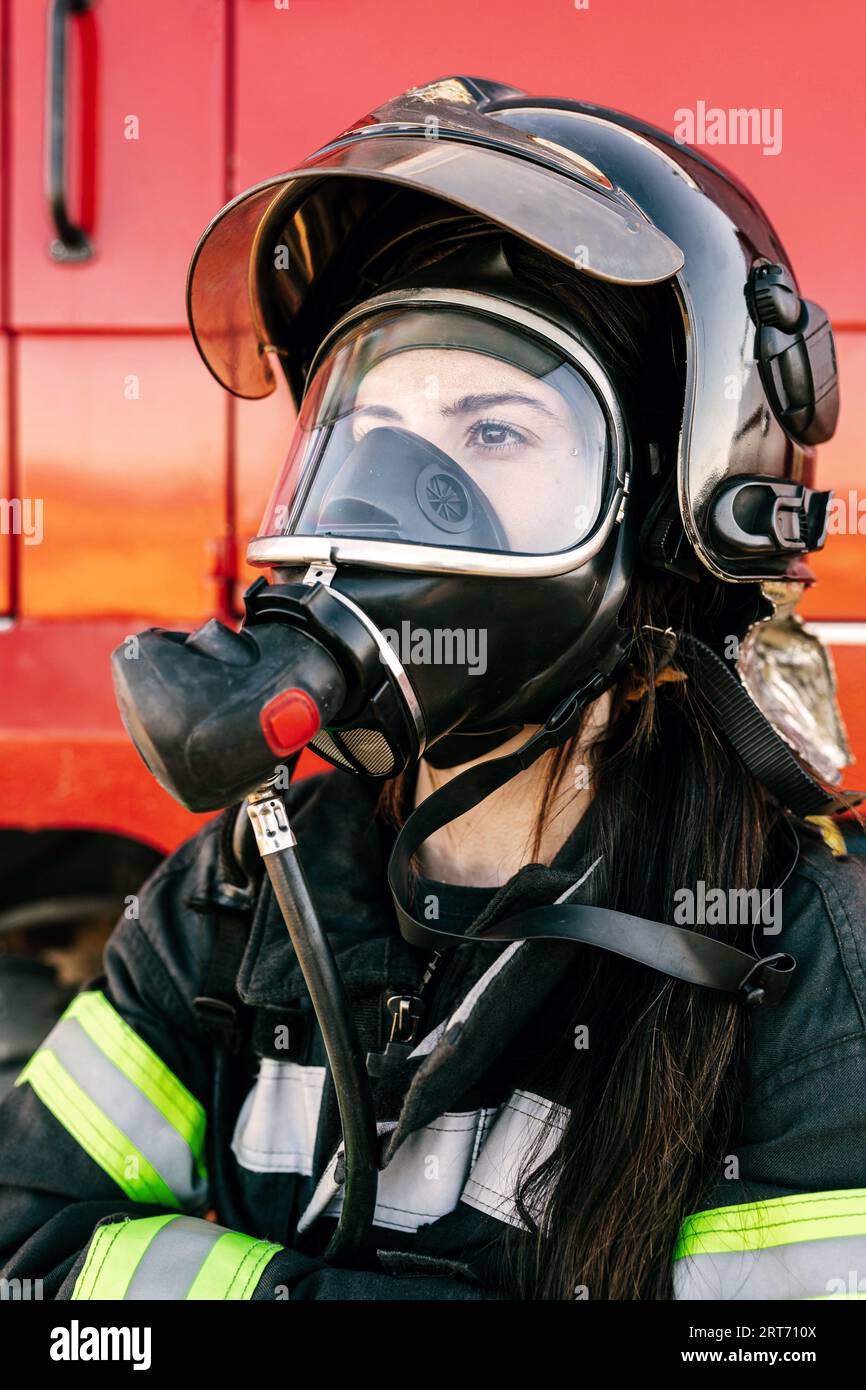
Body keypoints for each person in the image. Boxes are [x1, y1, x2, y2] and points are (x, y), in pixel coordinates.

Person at [1, 76, 864, 1303]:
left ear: (671, 523)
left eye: (493, 431)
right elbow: (26, 1261)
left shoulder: (802, 963)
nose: (388, 498)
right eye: (364, 428)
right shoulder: (247, 883)